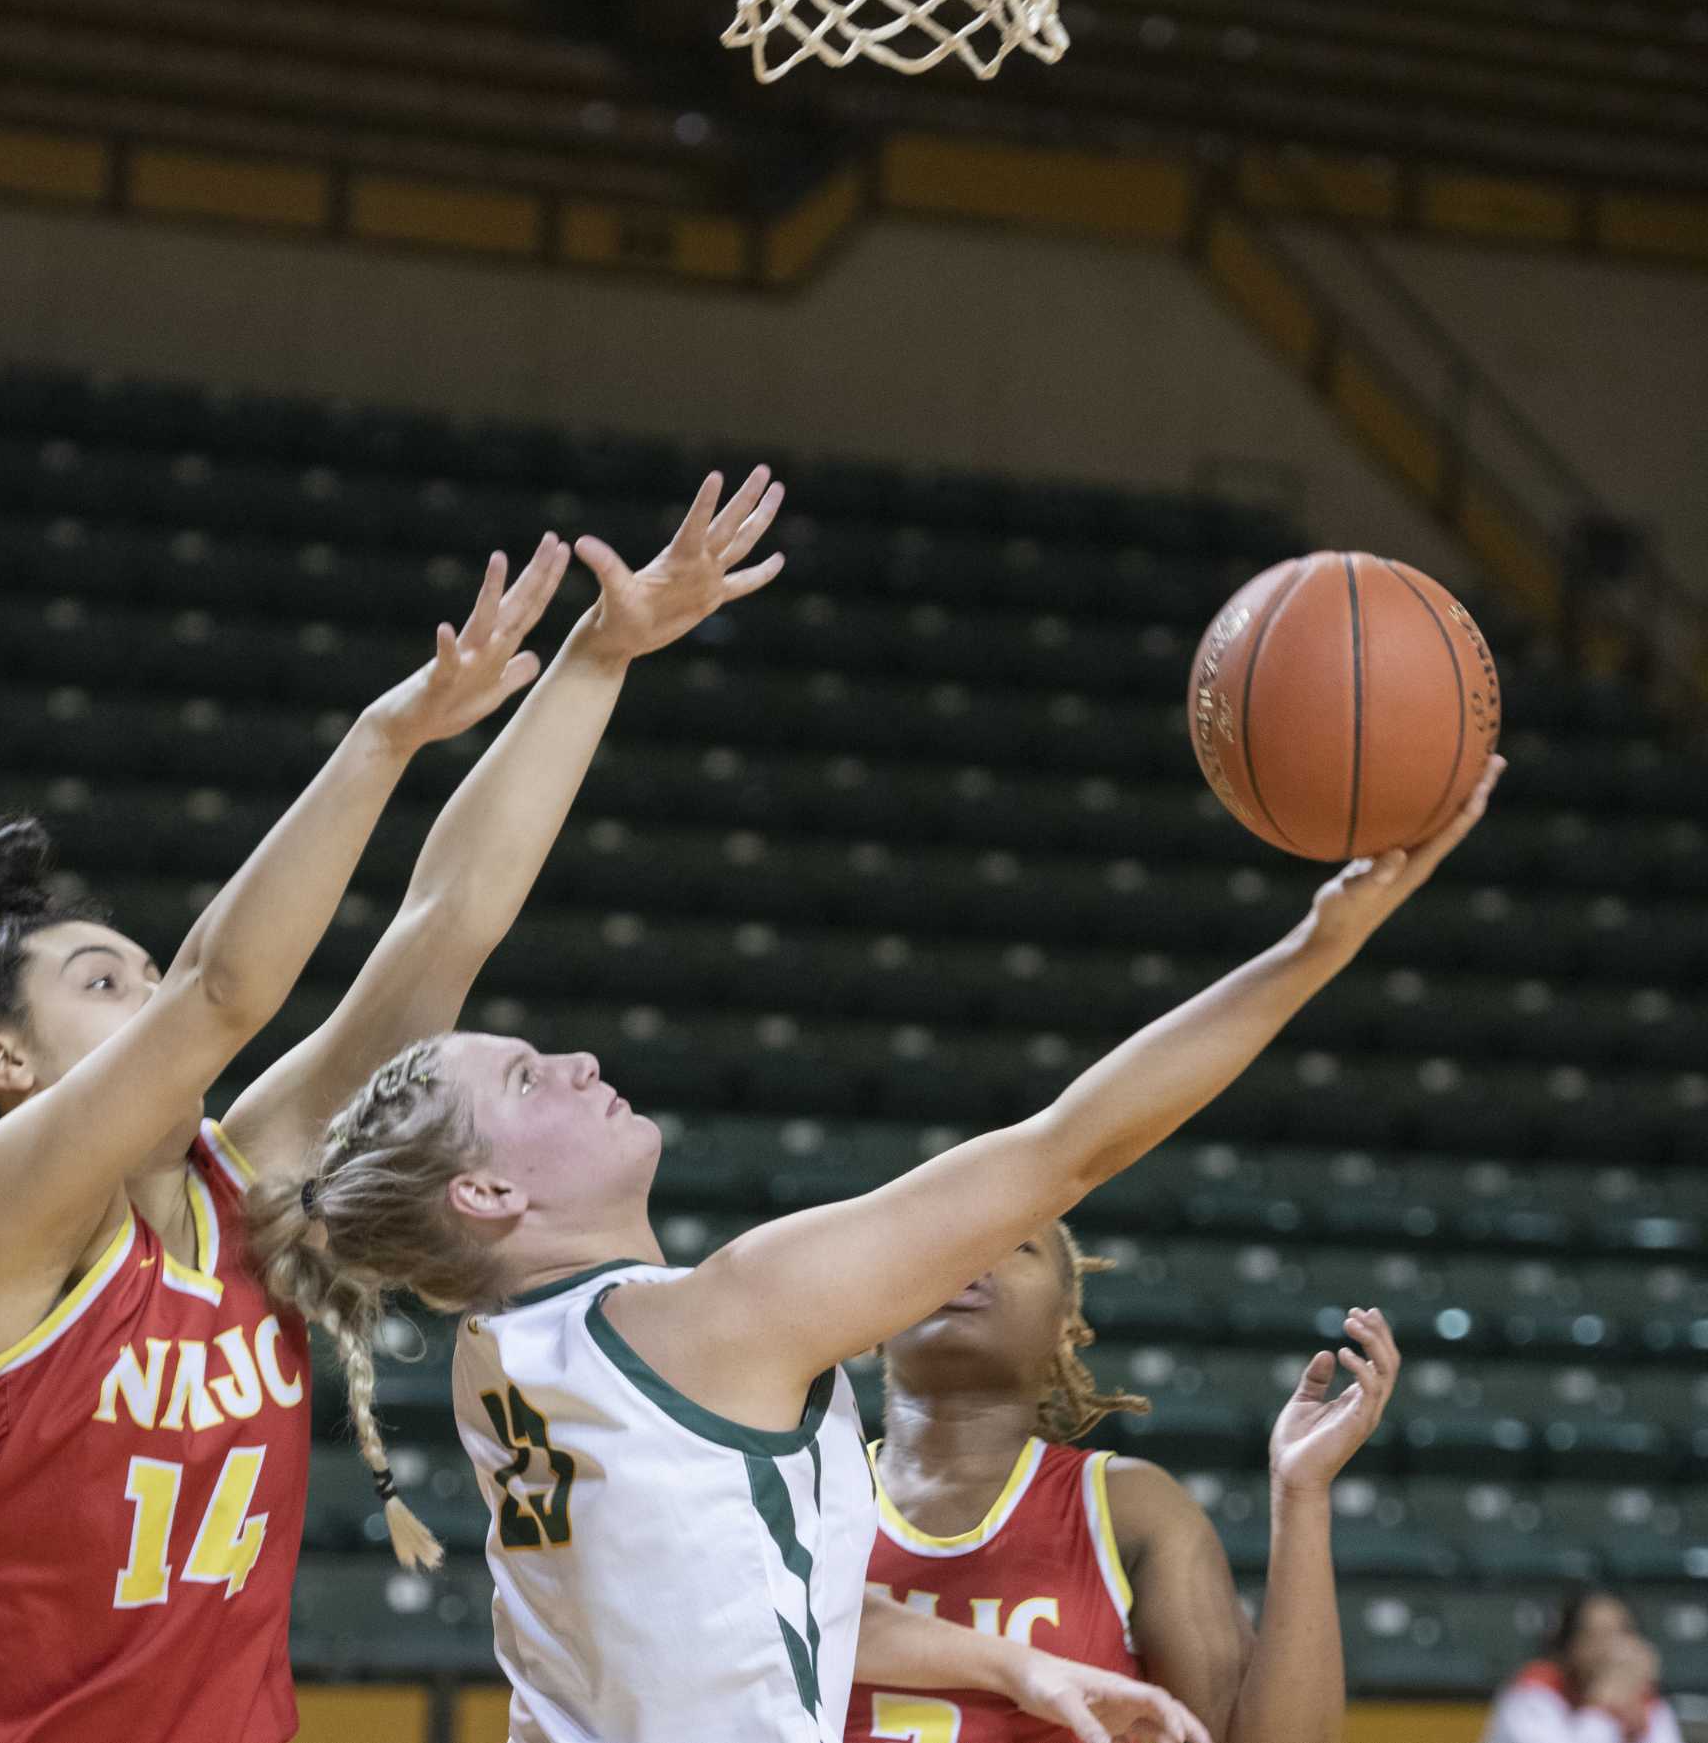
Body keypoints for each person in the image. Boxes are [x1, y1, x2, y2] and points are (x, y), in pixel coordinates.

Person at [253, 732, 1505, 1743]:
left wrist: (1018, 1667)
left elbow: (758, 1612)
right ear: (484, 1198)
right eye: (526, 1081)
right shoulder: (716, 1315)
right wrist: (1312, 947)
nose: (577, 1061)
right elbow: (1064, 1148)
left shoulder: (497, 1348)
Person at [0, 469, 792, 1742]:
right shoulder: (5, 1212)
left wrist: (597, 657)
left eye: (148, 970)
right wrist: (382, 737)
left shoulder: (247, 1180)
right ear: (6, 1062)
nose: (152, 992)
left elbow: (444, 927)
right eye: (103, 979)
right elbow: (224, 992)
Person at [850, 1220, 1401, 1742]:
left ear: (1066, 1321)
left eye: (1017, 1244)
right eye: (941, 1242)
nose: (970, 1258)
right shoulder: (808, 1495)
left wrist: (1299, 1492)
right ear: (879, 1306)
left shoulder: (1129, 1507)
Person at [1482, 1590, 1682, 1743]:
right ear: (1570, 1645)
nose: (1610, 1648)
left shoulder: (1644, 1699)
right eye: (1596, 1636)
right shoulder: (1532, 1693)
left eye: (1620, 1633)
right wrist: (1603, 1707)